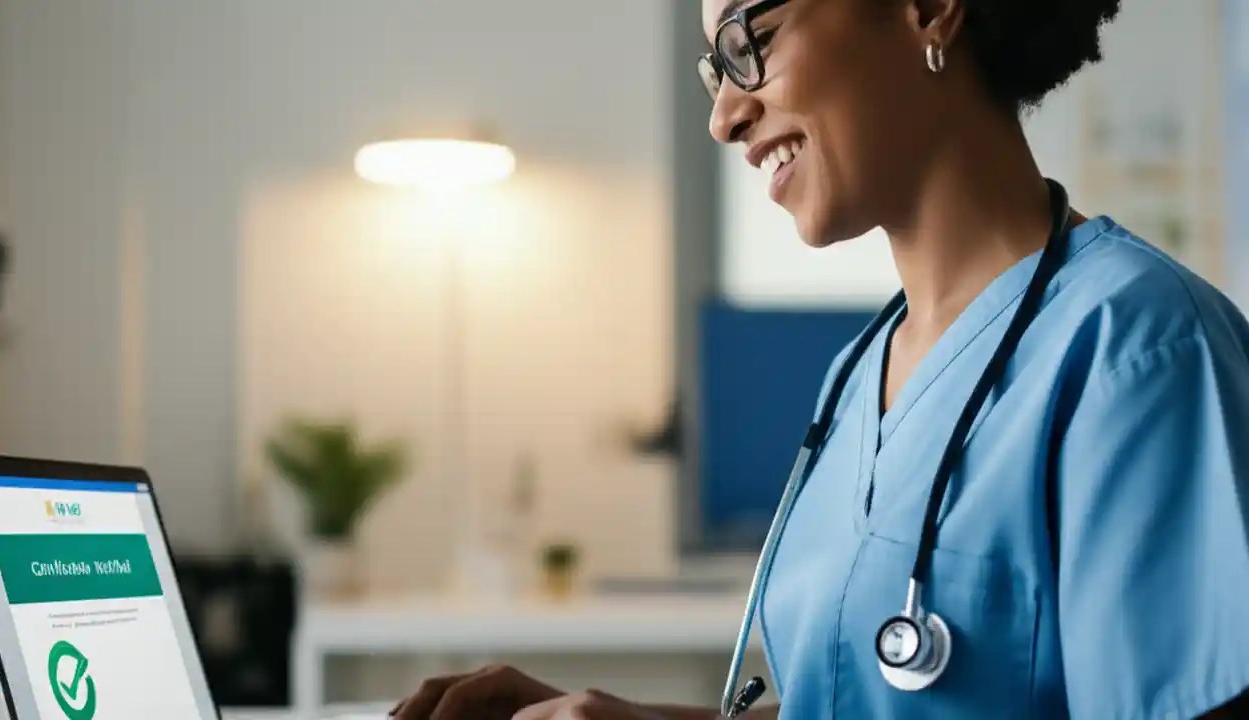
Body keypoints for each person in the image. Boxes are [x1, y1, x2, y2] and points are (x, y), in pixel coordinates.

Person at [390, 0, 1249, 716]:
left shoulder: (1137, 349)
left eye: (750, 44)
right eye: (713, 70)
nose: (725, 114)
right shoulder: (854, 375)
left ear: (928, 9)